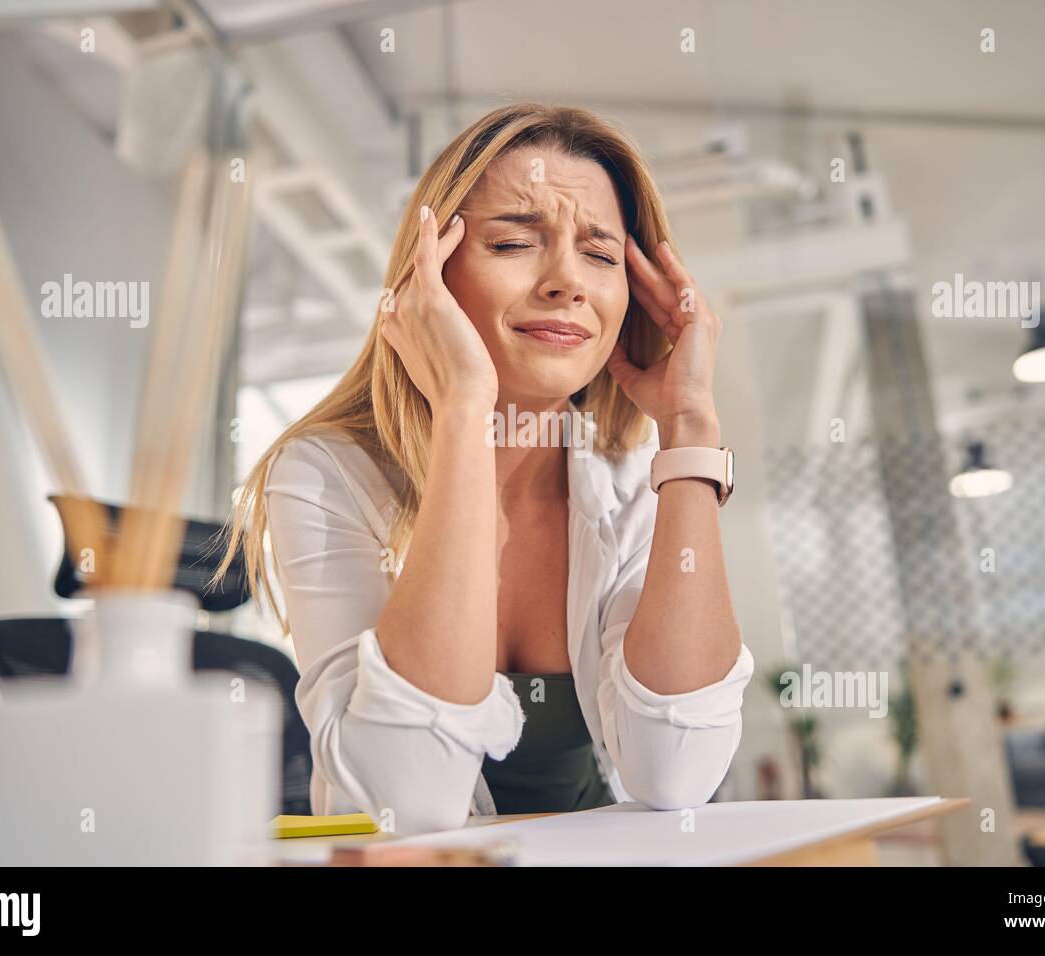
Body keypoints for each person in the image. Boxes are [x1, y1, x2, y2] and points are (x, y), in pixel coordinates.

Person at [217, 103, 753, 835]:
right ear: (426, 278)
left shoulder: (633, 478)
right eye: (513, 243)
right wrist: (466, 410)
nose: (568, 280)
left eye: (599, 255)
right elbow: (410, 801)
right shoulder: (322, 475)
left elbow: (678, 773)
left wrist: (690, 427)